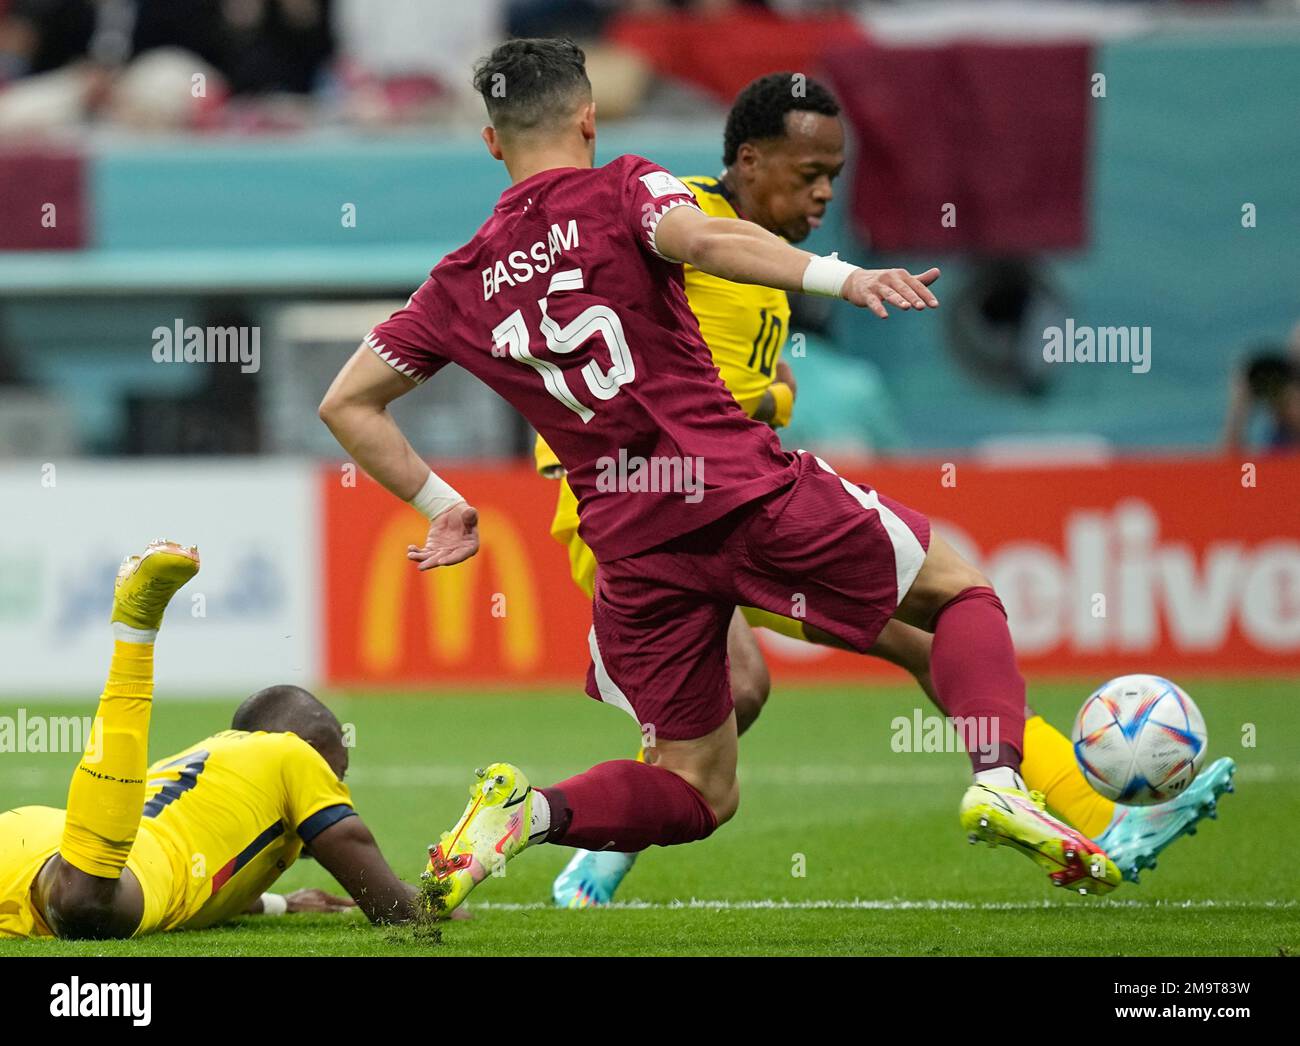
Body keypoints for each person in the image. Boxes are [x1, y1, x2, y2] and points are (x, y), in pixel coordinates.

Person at [320, 37, 1137, 916]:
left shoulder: (457, 281)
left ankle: (531, 813)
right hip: (737, 488)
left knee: (700, 786)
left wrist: (444, 507)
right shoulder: (624, 183)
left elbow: (346, 405)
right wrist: (846, 277)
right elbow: (707, 239)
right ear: (590, 120)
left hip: (630, 548)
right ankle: (1000, 782)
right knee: (960, 593)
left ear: (491, 144)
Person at [532, 71, 1236, 909]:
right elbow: (630, 364)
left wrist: (768, 396)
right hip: (634, 510)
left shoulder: (758, 255)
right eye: (808, 172)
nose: (826, 191)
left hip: (710, 504)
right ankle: (1069, 804)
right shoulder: (684, 225)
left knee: (839, 662)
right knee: (914, 624)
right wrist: (773, 385)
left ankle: (586, 858)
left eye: (835, 172)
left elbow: (727, 386)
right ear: (748, 162)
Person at [0, 540, 427, 940]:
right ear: (315, 748)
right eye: (338, 771)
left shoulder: (213, 766)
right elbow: (392, 908)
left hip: (31, 837)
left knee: (80, 892)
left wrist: (277, 904)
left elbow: (210, 867)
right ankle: (135, 634)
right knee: (83, 905)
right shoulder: (293, 755)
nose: (339, 788)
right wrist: (460, 874)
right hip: (98, 868)